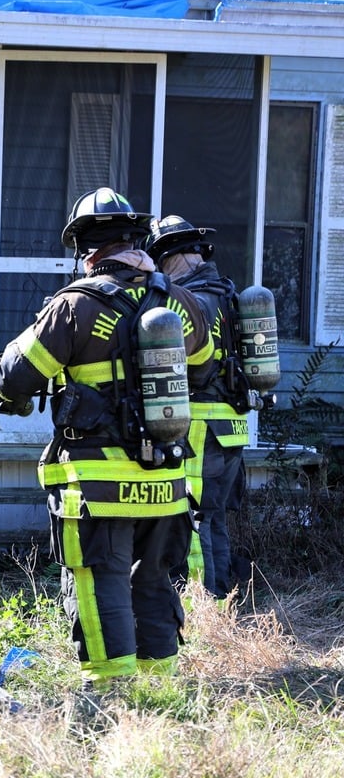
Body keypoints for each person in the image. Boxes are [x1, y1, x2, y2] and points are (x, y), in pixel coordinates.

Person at [0, 188, 214, 686]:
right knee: (154, 581)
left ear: (86, 250)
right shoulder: (181, 302)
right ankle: (160, 692)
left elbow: (15, 378)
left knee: (98, 581)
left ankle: (110, 694)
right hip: (166, 481)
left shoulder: (74, 306)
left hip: (96, 483)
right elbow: (202, 371)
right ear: (136, 241)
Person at [144, 215, 253, 599]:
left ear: (167, 257)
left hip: (201, 427)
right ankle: (220, 600)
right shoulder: (227, 296)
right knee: (214, 518)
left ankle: (201, 605)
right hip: (233, 427)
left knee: (194, 518)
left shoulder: (189, 303)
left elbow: (190, 366)